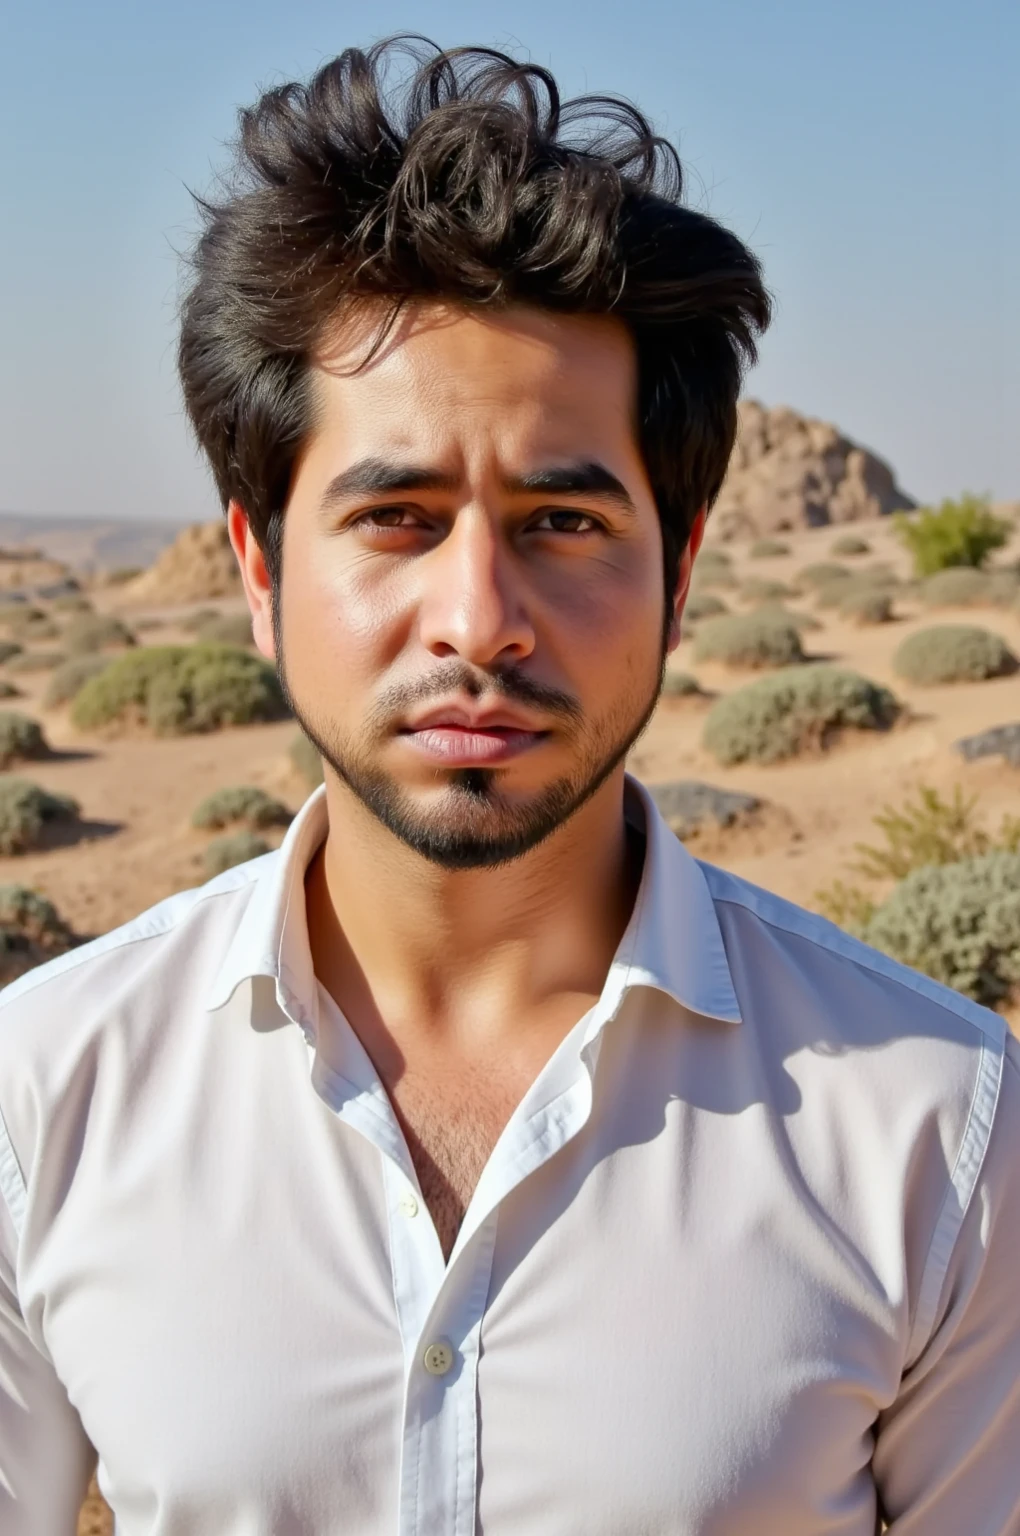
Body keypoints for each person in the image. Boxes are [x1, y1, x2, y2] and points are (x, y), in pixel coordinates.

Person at [1, 36, 1017, 1536]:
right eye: (397, 517)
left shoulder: (942, 1125)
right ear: (260, 572)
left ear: (680, 578)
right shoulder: (41, 1096)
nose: (480, 620)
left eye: (561, 520)